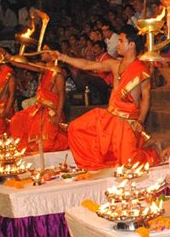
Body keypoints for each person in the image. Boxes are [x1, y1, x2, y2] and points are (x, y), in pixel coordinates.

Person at [56, 25, 153, 170]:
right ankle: (95, 165)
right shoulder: (114, 64)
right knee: (75, 128)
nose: (117, 44)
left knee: (130, 163)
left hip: (127, 121)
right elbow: (88, 64)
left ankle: (154, 153)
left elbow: (146, 98)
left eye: (121, 41)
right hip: (110, 116)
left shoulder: (141, 70)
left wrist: (141, 120)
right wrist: (63, 57)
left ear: (131, 45)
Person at [8, 42, 68, 153]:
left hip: (51, 112)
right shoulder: (43, 69)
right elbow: (25, 65)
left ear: (53, 54)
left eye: (45, 51)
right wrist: (11, 58)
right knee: (17, 119)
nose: (41, 53)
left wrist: (58, 115)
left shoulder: (58, 73)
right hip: (38, 108)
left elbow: (62, 96)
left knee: (47, 144)